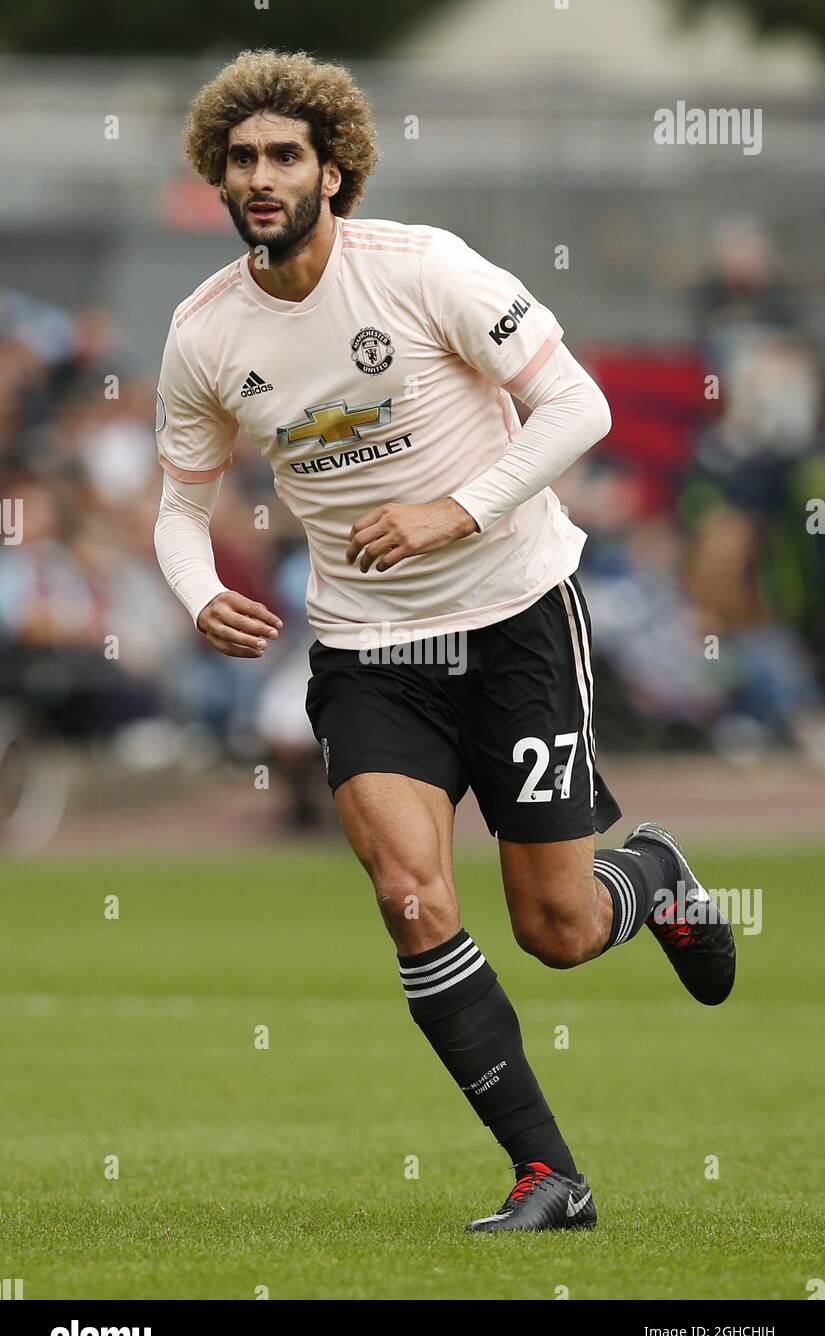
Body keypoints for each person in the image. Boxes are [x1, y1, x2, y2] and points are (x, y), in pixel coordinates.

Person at [153, 48, 735, 1233]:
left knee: (557, 930)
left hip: (516, 618)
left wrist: (454, 510)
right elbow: (177, 505)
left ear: (333, 171)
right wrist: (198, 591)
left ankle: (651, 876)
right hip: (369, 652)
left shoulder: (424, 269)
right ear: (219, 175)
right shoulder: (204, 332)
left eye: (285, 155)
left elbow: (580, 406)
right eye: (242, 158)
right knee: (412, 896)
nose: (260, 176)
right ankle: (548, 1175)